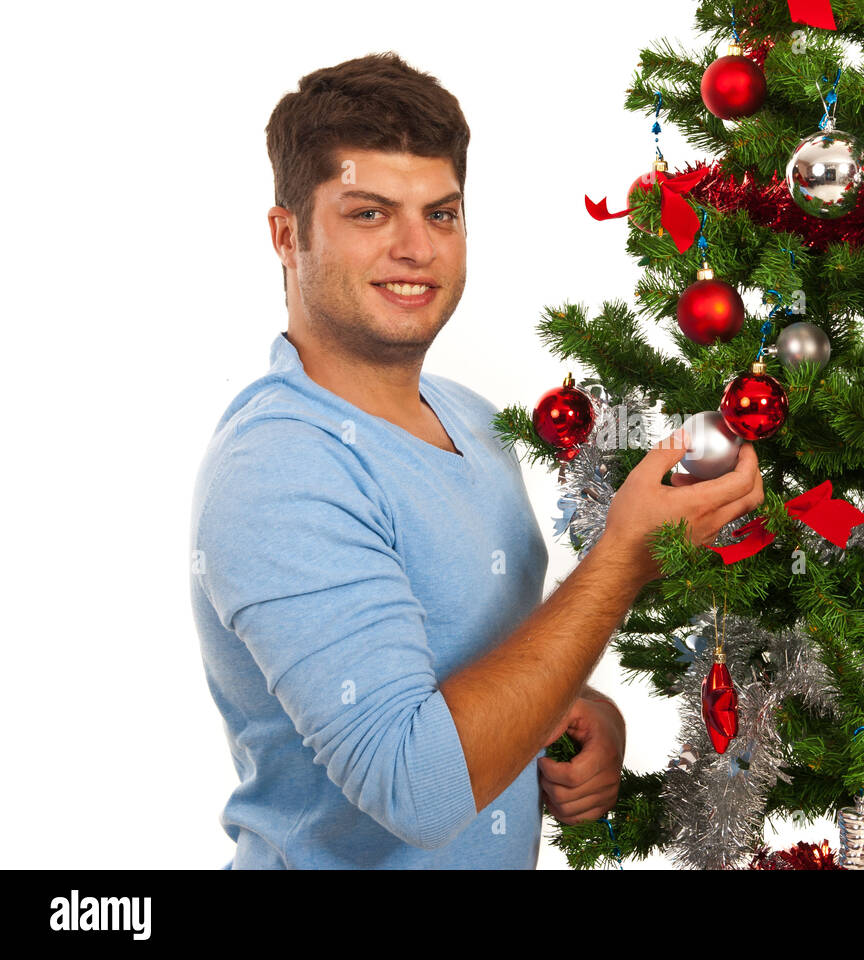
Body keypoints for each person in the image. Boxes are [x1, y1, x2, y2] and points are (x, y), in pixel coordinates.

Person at [188, 51, 764, 868]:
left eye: (441, 214)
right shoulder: (281, 467)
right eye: (369, 214)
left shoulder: (470, 417)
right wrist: (621, 562)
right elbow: (416, 786)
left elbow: (461, 666)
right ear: (287, 235)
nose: (415, 248)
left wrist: (577, 709)